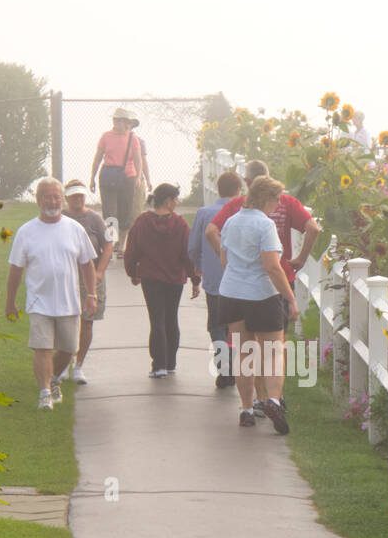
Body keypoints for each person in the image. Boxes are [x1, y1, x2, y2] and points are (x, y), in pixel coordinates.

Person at [208, 159, 319, 415]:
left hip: (232, 293)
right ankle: (274, 401)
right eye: (276, 198)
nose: (279, 203)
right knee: (273, 350)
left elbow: (219, 248)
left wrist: (235, 276)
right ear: (266, 196)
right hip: (263, 293)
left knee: (245, 352)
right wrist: (291, 297)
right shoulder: (265, 223)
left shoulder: (232, 218)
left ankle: (248, 407)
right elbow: (272, 266)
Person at [5, 178, 97, 410]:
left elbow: (87, 264)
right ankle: (45, 392)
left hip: (69, 302)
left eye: (57, 197)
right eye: (48, 196)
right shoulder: (26, 232)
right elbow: (16, 269)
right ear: (39, 200)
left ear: (62, 199)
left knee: (68, 350)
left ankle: (53, 378)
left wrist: (91, 294)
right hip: (39, 302)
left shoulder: (75, 229)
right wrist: (10, 302)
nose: (53, 201)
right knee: (42, 348)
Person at [123, 182, 199, 378]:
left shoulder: (142, 222)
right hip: (174, 278)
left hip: (151, 277)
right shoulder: (180, 224)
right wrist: (194, 278)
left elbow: (132, 250)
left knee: (156, 319)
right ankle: (171, 362)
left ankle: (158, 365)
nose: (177, 203)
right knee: (171, 318)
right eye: (175, 199)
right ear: (168, 200)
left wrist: (132, 272)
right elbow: (187, 253)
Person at [188, 170, 244, 389]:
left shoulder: (204, 213)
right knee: (237, 324)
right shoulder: (244, 213)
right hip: (239, 279)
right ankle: (234, 362)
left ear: (217, 190)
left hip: (214, 279)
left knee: (217, 324)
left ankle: (224, 367)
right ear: (239, 190)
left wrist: (198, 267)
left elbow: (193, 246)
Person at [63, 179, 113, 385]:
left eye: (81, 195)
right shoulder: (61, 217)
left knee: (87, 321)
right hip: (66, 276)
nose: (78, 199)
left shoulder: (94, 219)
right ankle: (62, 363)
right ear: (67, 197)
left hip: (89, 277)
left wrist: (99, 271)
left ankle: (78, 365)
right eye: (74, 196)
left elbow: (108, 245)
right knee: (65, 321)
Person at [88, 108, 147, 255]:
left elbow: (138, 159)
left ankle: (121, 244)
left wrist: (139, 176)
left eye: (122, 121)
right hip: (108, 176)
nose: (119, 124)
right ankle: (110, 243)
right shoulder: (106, 137)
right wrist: (92, 178)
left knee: (125, 211)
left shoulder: (133, 138)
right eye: (116, 120)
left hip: (128, 177)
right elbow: (97, 157)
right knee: (110, 212)